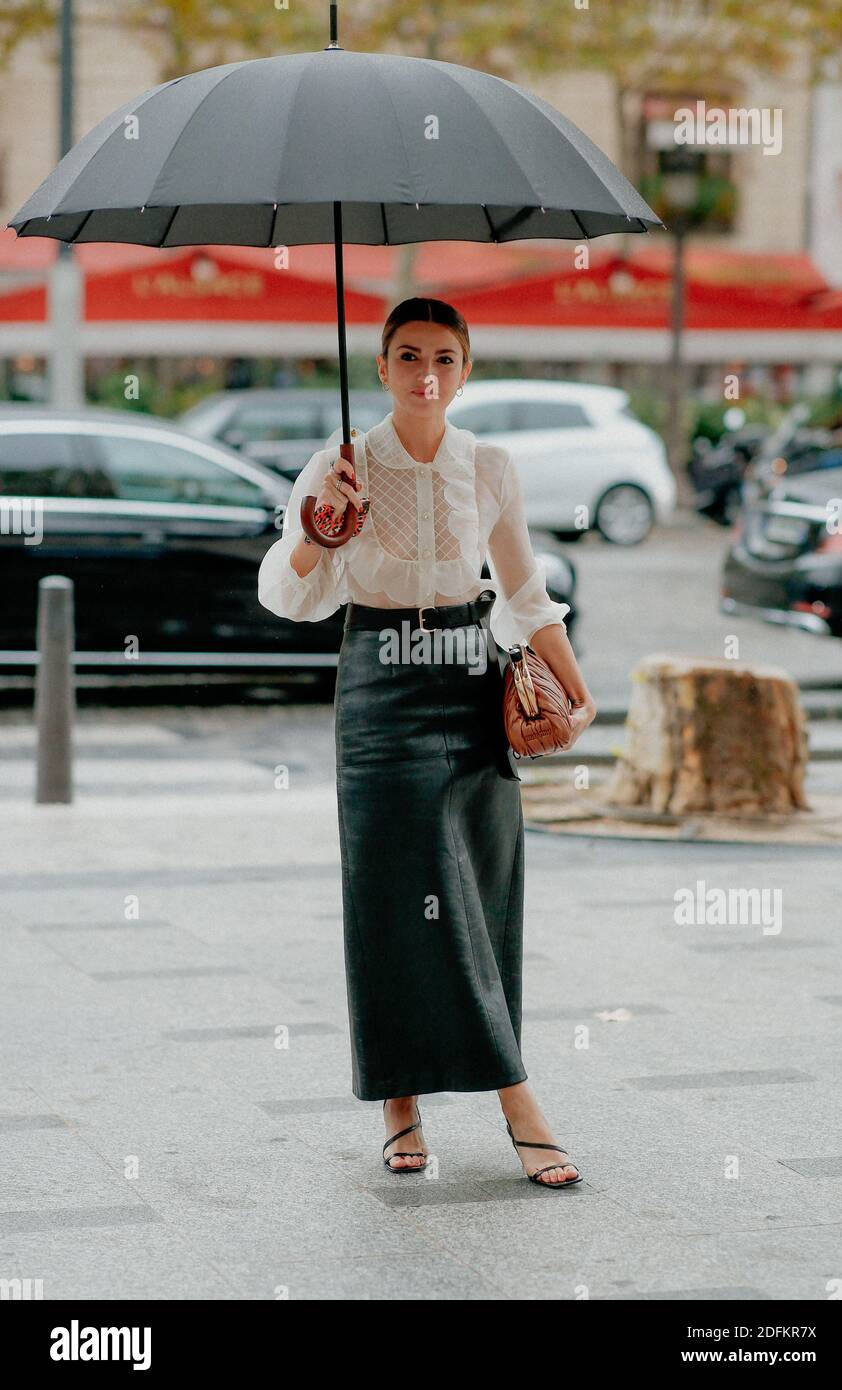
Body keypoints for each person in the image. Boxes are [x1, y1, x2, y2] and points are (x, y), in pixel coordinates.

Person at [258, 297, 597, 1187]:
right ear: (380, 365)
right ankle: (462, 1098)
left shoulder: (488, 464)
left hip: (467, 670)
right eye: (408, 356)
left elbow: (524, 590)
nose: (426, 374)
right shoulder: (339, 466)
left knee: (481, 887)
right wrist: (317, 528)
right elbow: (290, 595)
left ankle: (443, 1087)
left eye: (444, 358)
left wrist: (574, 680)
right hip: (377, 678)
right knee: (390, 890)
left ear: (465, 369)